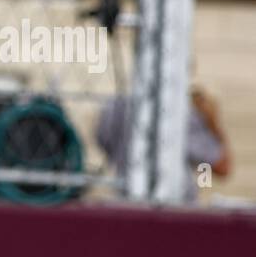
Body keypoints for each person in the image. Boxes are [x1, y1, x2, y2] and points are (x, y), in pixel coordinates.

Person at [95, 84, 232, 203]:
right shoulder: (184, 114)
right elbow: (222, 167)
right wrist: (213, 123)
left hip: (126, 199)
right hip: (177, 206)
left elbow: (104, 145)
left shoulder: (116, 107)